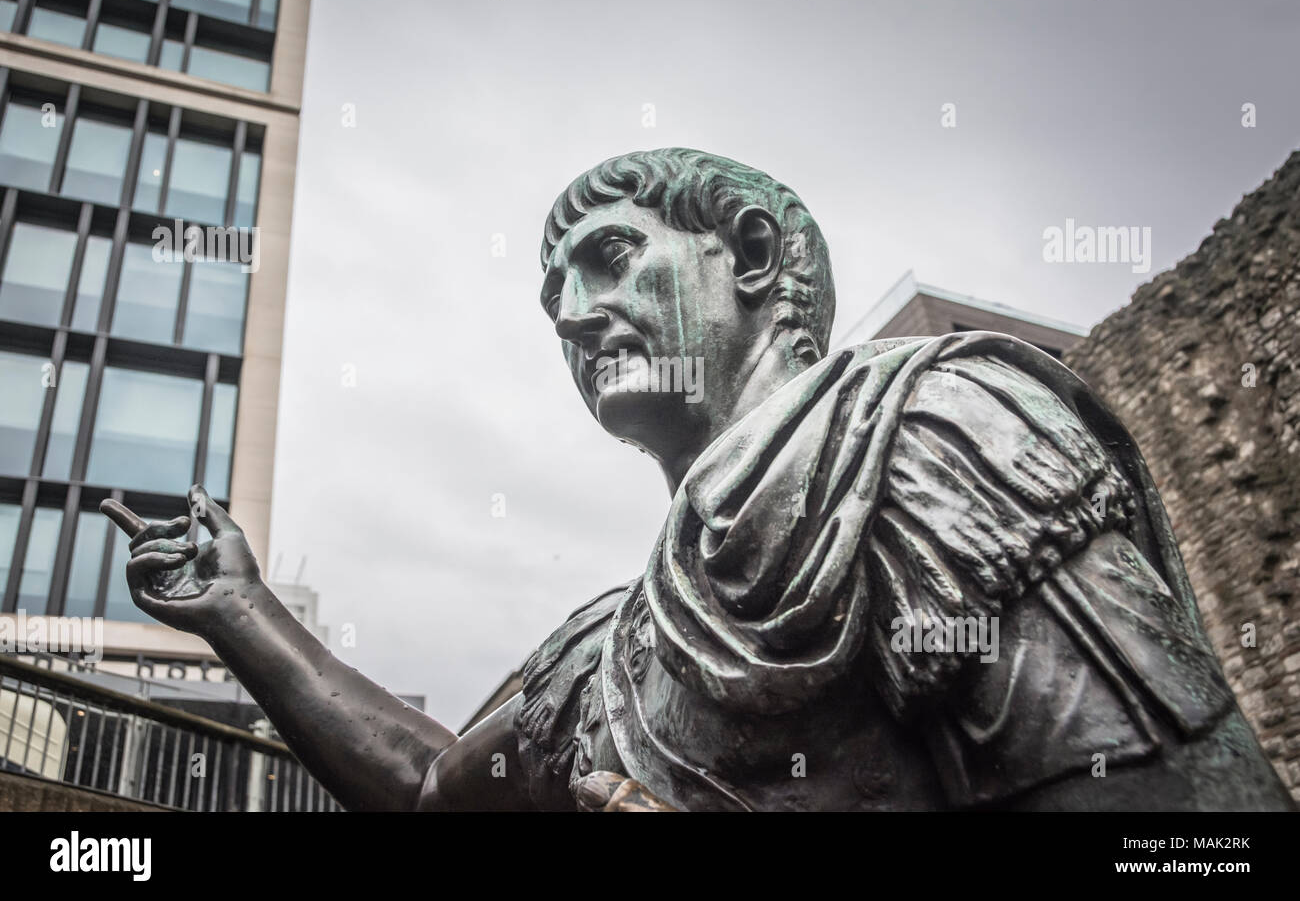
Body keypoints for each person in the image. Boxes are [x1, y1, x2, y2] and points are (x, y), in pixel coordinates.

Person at [103, 148, 1293, 811]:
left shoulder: (933, 442)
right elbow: (432, 791)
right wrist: (240, 611)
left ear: (753, 257)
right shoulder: (607, 648)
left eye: (610, 256)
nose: (572, 314)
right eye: (553, 295)